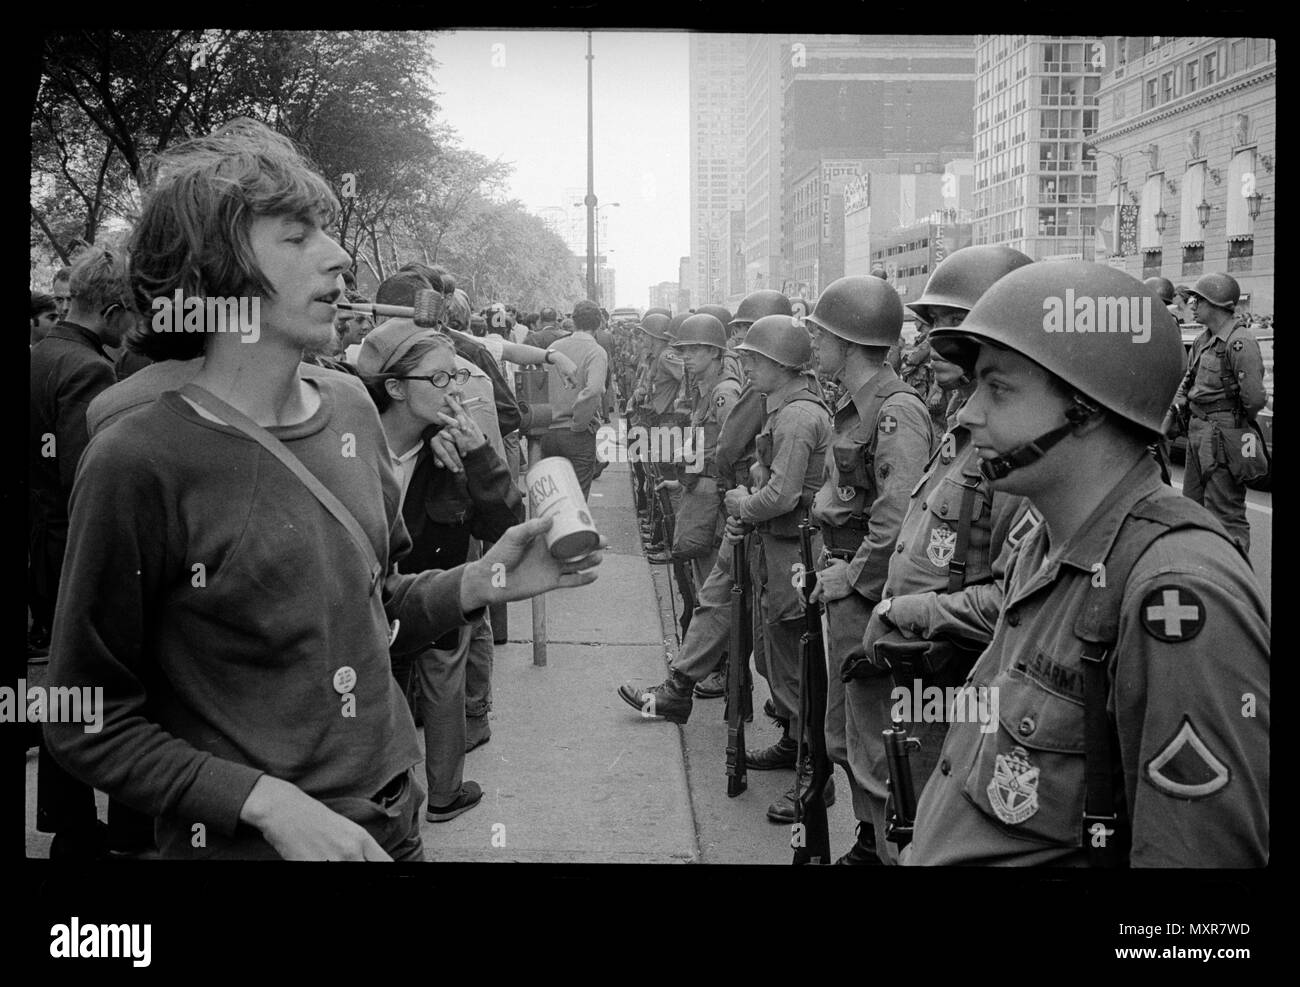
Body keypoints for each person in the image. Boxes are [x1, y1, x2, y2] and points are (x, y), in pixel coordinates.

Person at [43, 118, 604, 861]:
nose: (339, 256)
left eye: (325, 232)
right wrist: (262, 802)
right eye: (297, 236)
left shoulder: (349, 409)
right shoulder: (138, 459)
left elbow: (375, 605)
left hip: (393, 824)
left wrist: (487, 578)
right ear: (214, 271)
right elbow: (85, 714)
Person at [908, 261, 1268, 867]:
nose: (969, 414)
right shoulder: (1045, 543)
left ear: (1088, 406)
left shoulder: (1174, 589)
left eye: (998, 389)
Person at [848, 246, 1037, 864]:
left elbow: (1020, 597)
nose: (932, 343)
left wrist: (915, 612)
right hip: (934, 673)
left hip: (968, 677)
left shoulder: (1018, 446)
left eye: (947, 328)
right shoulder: (964, 422)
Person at [359, 319, 524, 822]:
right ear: (393, 388)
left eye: (454, 376)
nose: (455, 389)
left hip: (437, 602)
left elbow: (505, 521)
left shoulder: (452, 449)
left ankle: (445, 794)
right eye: (439, 379)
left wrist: (478, 455)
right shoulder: (347, 442)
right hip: (367, 606)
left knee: (443, 687)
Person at [804, 275, 934, 855]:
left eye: (821, 334)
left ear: (850, 341)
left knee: (871, 724)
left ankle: (882, 844)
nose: (813, 344)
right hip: (843, 572)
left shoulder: (894, 411)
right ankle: (866, 834)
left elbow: (897, 515)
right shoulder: (855, 404)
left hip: (864, 584)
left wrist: (853, 578)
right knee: (846, 725)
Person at [29, 245, 151, 859]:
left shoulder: (41, 355)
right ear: (110, 310)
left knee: (63, 680)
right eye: (131, 316)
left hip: (40, 545)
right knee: (94, 680)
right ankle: (81, 828)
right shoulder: (88, 371)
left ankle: (66, 815)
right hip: (69, 547)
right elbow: (88, 479)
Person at [725, 315, 833, 823]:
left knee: (793, 663)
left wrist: (742, 504)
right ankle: (795, 744)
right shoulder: (784, 409)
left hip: (794, 551)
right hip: (778, 548)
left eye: (753, 359)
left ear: (781, 365)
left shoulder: (795, 418)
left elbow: (781, 495)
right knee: (774, 658)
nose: (745, 366)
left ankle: (817, 776)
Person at [1167, 272, 1267, 553]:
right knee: (1193, 508)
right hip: (1199, 431)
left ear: (1216, 302)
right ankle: (1203, 571)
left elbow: (1255, 398)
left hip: (1223, 433)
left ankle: (1234, 582)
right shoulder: (1202, 340)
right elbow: (1188, 380)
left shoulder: (1240, 342)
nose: (1193, 305)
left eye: (1198, 299)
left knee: (1226, 514)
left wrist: (1231, 422)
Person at [538, 299, 608, 500]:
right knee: (576, 502)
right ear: (599, 324)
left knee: (553, 499)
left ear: (574, 321)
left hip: (549, 432)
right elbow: (593, 390)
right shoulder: (596, 352)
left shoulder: (554, 348)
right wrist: (579, 423)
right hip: (576, 434)